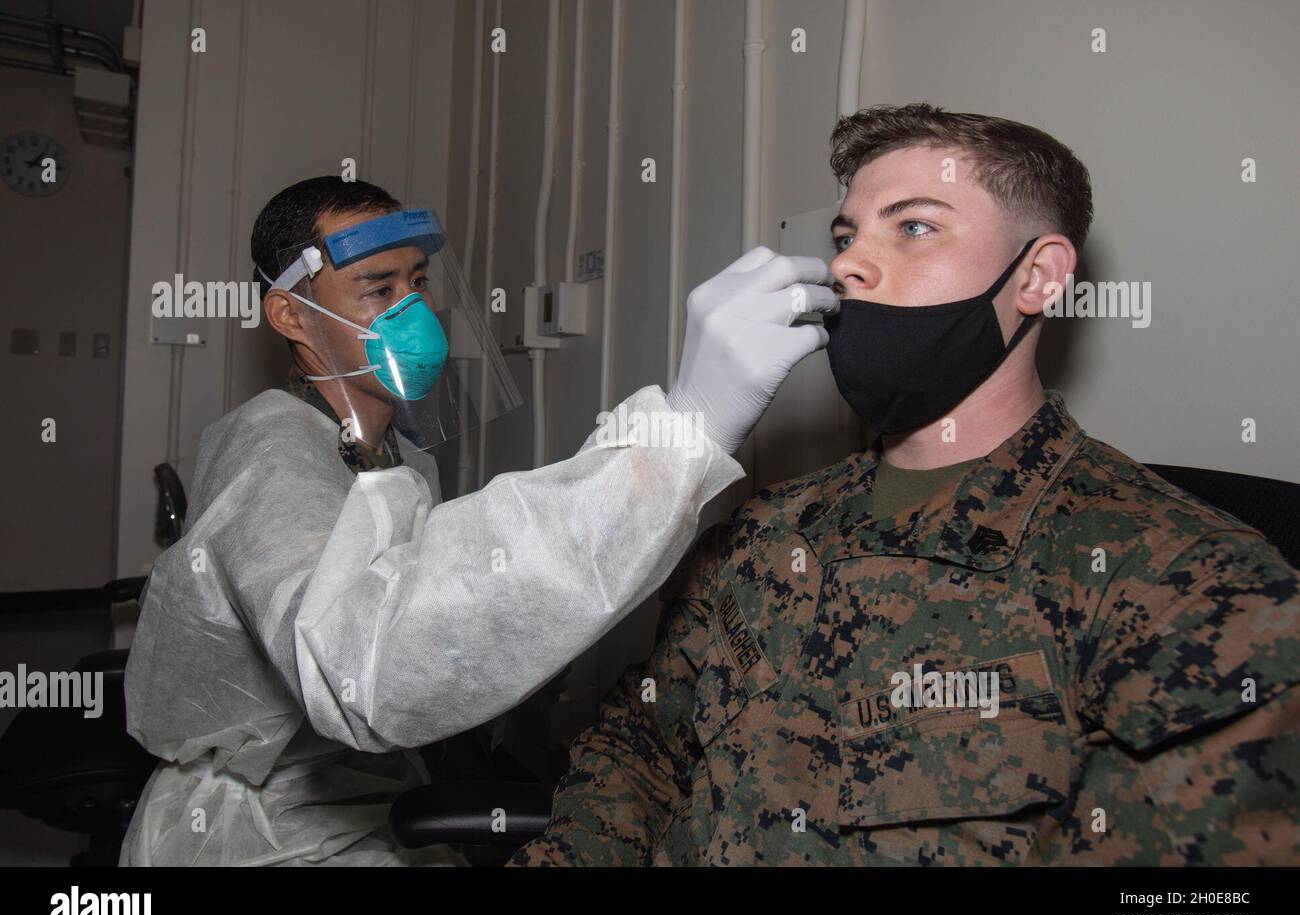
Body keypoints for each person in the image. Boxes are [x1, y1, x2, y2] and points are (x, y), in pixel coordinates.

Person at [513, 104, 1300, 866]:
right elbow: (640, 753)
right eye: (845, 235)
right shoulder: (759, 534)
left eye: (914, 226)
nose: (845, 264)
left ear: (1038, 276)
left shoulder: (1186, 579)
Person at [120, 176, 837, 866]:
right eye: (379, 289)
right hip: (262, 835)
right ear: (291, 315)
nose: (415, 312)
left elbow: (433, 597)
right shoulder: (270, 452)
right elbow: (363, 667)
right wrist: (680, 436)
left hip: (366, 800)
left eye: (418, 282)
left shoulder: (390, 456)